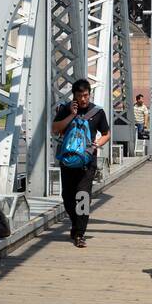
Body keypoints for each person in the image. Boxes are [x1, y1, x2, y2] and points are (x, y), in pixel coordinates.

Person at [51, 79, 111, 248]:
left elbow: (106, 134)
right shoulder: (65, 109)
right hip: (68, 160)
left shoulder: (97, 112)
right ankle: (76, 223)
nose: (83, 99)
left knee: (83, 197)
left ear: (89, 94)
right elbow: (55, 129)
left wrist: (96, 144)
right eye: (80, 96)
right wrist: (71, 114)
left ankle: (79, 233)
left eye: (86, 95)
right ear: (74, 96)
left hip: (87, 162)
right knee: (68, 198)